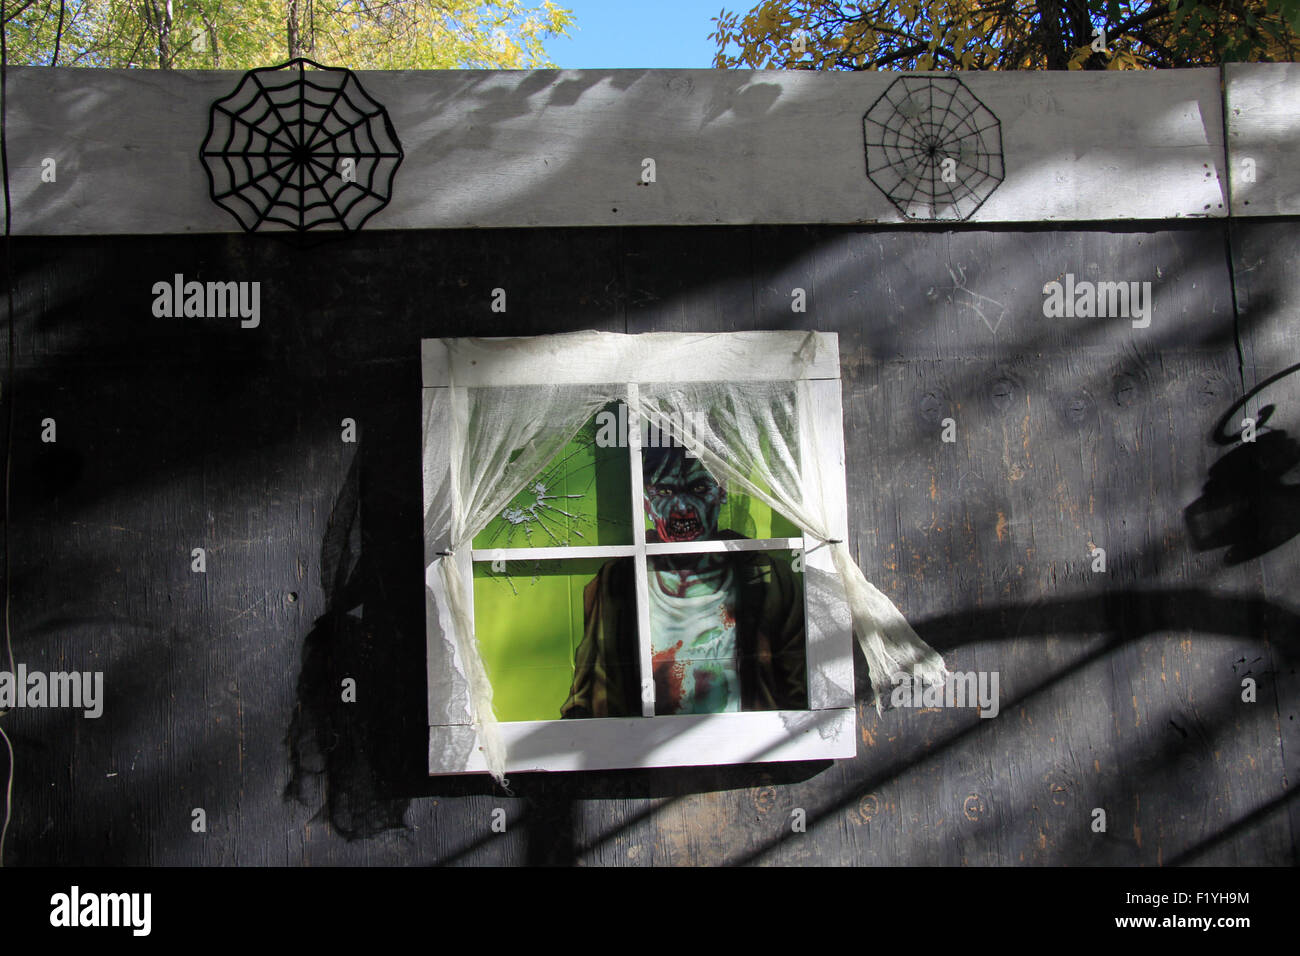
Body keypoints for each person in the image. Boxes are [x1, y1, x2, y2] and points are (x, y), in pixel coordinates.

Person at [560, 445, 807, 718]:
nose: (681, 508)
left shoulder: (769, 579)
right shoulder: (616, 582)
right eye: (665, 492)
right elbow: (587, 696)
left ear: (720, 493)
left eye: (699, 489)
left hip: (745, 751)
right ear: (646, 503)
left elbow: (802, 689)